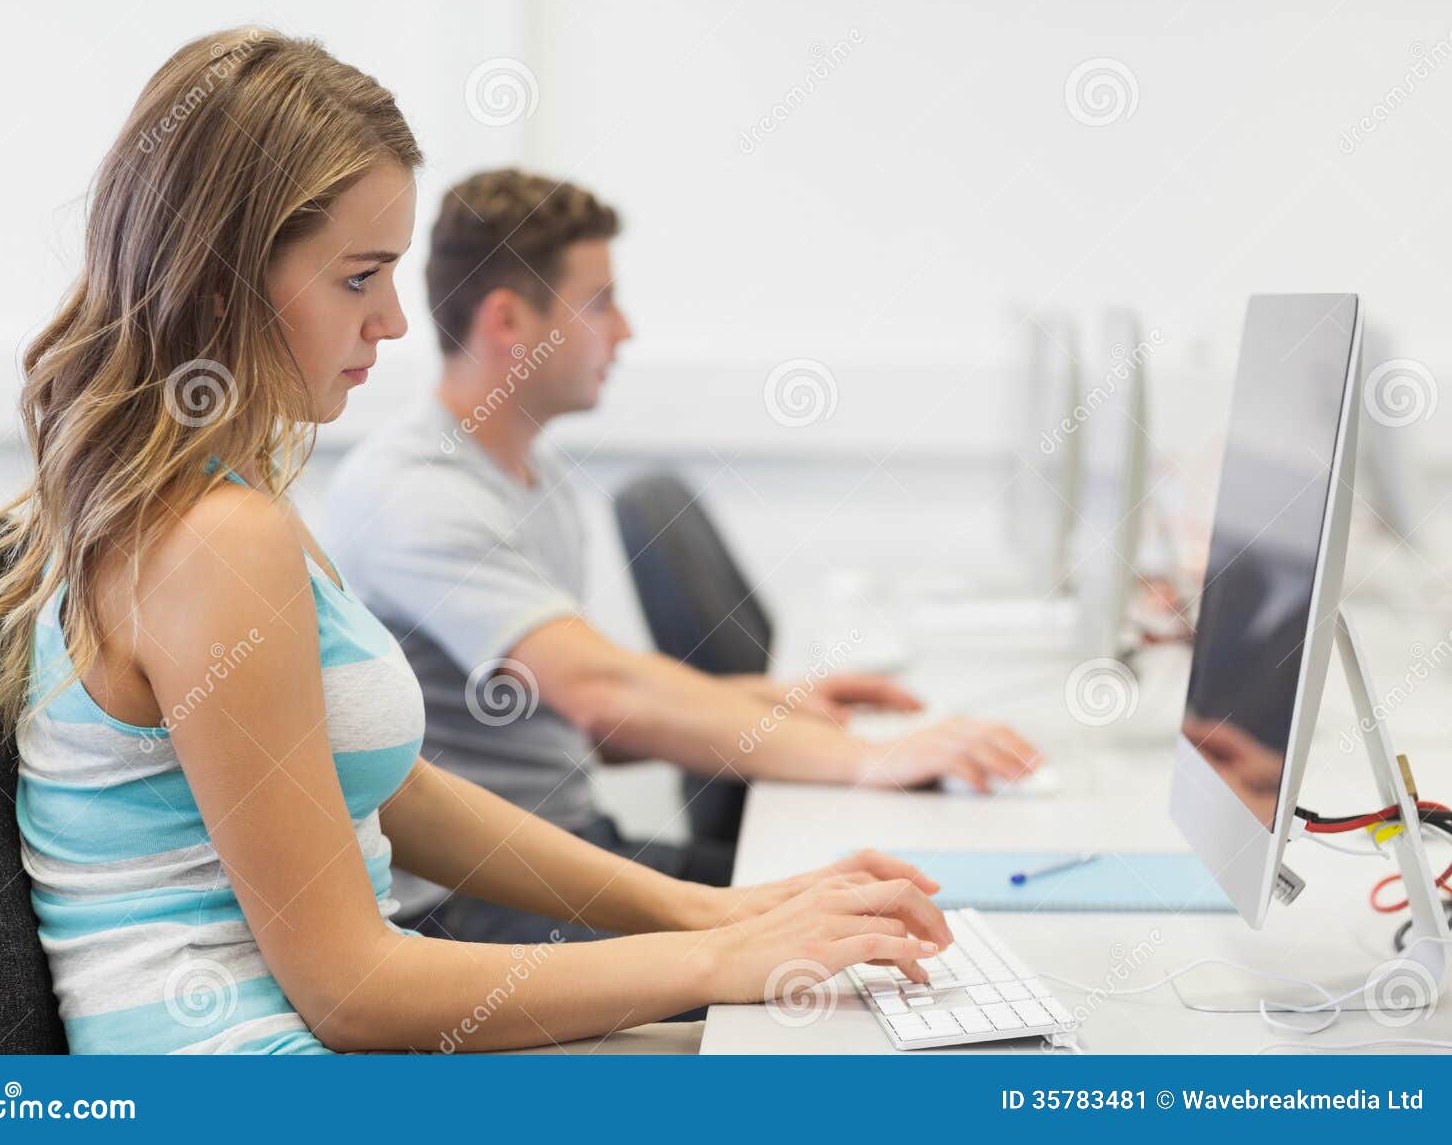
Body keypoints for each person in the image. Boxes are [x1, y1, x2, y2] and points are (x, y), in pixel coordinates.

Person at [0, 28, 951, 1055]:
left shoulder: (227, 495)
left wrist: (712, 912)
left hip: (306, 1046)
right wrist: (712, 961)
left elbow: (398, 791)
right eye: (357, 277)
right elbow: (351, 988)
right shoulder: (215, 538)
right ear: (223, 281)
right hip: (252, 1067)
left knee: (817, 1046)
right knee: (839, 1070)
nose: (389, 319)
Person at [324, 169, 1045, 945]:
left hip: (569, 854)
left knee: (874, 909)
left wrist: (762, 699)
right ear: (508, 320)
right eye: (598, 302)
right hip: (474, 905)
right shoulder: (413, 493)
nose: (624, 330)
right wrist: (868, 757)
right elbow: (598, 691)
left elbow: (567, 716)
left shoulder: (531, 472)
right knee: (844, 957)